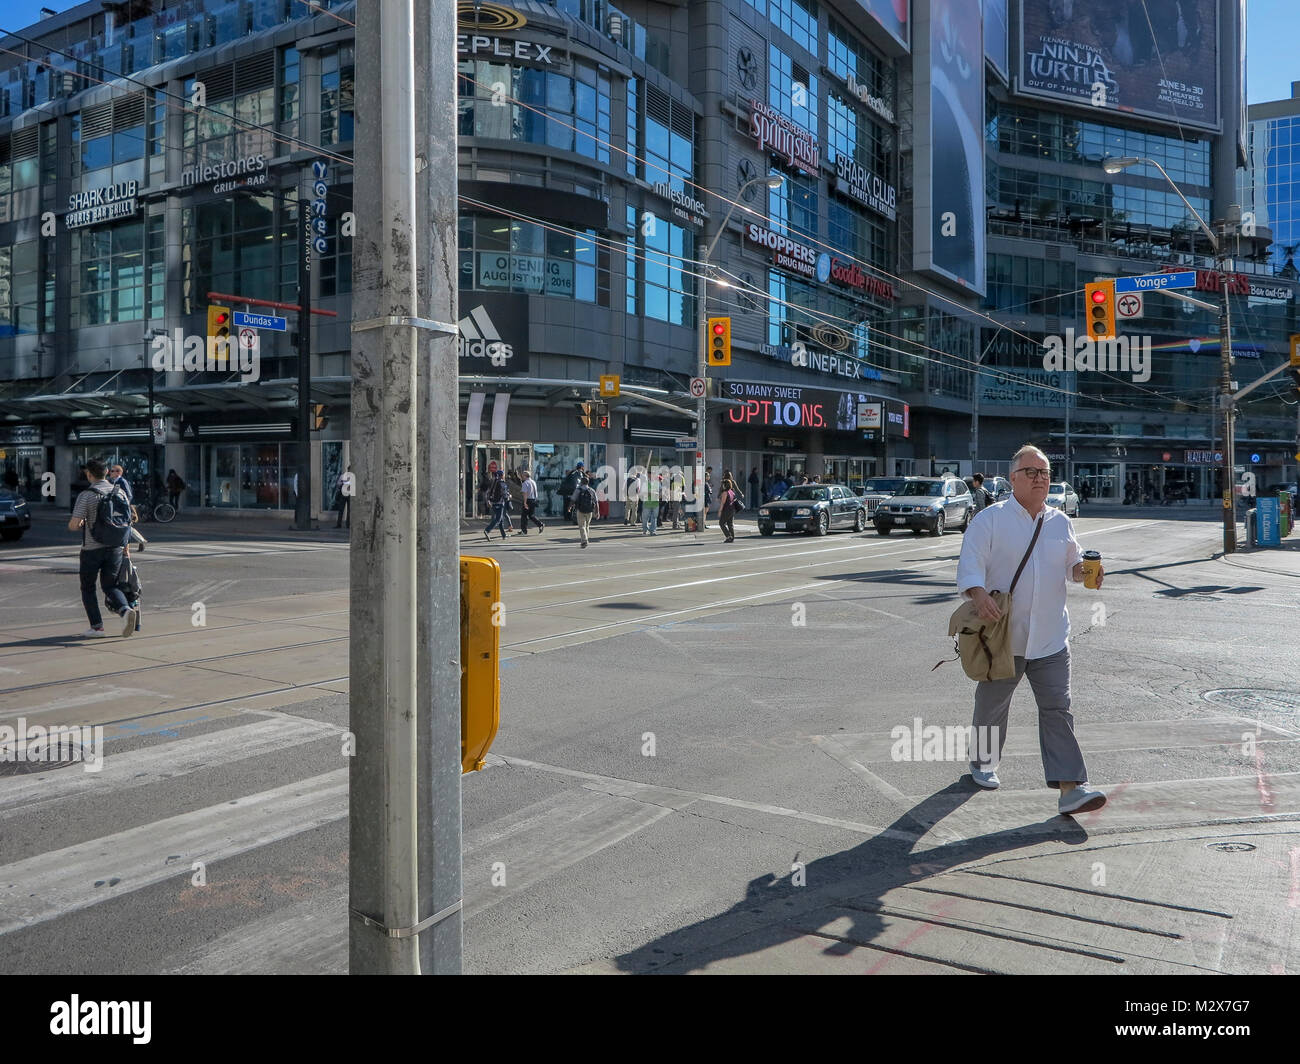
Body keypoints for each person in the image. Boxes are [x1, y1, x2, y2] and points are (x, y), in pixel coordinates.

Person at [955, 444, 1106, 817]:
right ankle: (983, 762)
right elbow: (970, 562)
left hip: (1052, 637)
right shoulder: (990, 519)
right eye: (1032, 472)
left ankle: (1071, 788)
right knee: (993, 704)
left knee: (1058, 709)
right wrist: (977, 594)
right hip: (1004, 634)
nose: (1041, 479)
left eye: (1045, 473)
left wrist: (1086, 573)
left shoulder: (1060, 521)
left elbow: (1073, 564)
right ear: (1013, 478)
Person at [68, 457, 139, 638]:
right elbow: (127, 522)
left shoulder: (87, 495)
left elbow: (73, 525)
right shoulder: (120, 492)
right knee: (110, 585)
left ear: (89, 475)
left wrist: (83, 522)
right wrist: (125, 548)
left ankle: (97, 627)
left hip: (91, 549)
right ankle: (124, 610)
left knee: (88, 588)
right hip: (115, 547)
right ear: (107, 472)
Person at [483, 469, 512, 541]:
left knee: (500, 519)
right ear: (502, 475)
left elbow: (488, 492)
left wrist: (488, 501)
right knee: (498, 519)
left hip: (493, 503)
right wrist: (509, 497)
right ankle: (487, 530)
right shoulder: (502, 483)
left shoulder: (493, 482)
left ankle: (503, 535)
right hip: (500, 503)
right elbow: (504, 494)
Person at [573, 472, 597, 548]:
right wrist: (597, 511)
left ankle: (584, 540)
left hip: (580, 510)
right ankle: (585, 539)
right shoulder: (592, 490)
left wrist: (569, 507)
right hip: (589, 511)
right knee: (587, 526)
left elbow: (573, 499)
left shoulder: (578, 490)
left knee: (581, 526)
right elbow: (596, 502)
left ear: (582, 482)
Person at [519, 468, 545, 535]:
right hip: (534, 500)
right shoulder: (533, 482)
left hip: (528, 500)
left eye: (523, 476)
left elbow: (525, 493)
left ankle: (524, 531)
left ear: (525, 476)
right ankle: (540, 524)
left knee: (524, 516)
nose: (522, 477)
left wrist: (525, 502)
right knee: (531, 515)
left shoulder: (525, 483)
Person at [718, 476, 740, 543]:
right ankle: (732, 537)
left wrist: (720, 511)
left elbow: (722, 503)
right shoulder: (731, 491)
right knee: (730, 524)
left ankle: (728, 536)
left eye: (723, 484)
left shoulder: (725, 492)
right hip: (732, 509)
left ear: (725, 485)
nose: (722, 486)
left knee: (721, 523)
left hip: (726, 509)